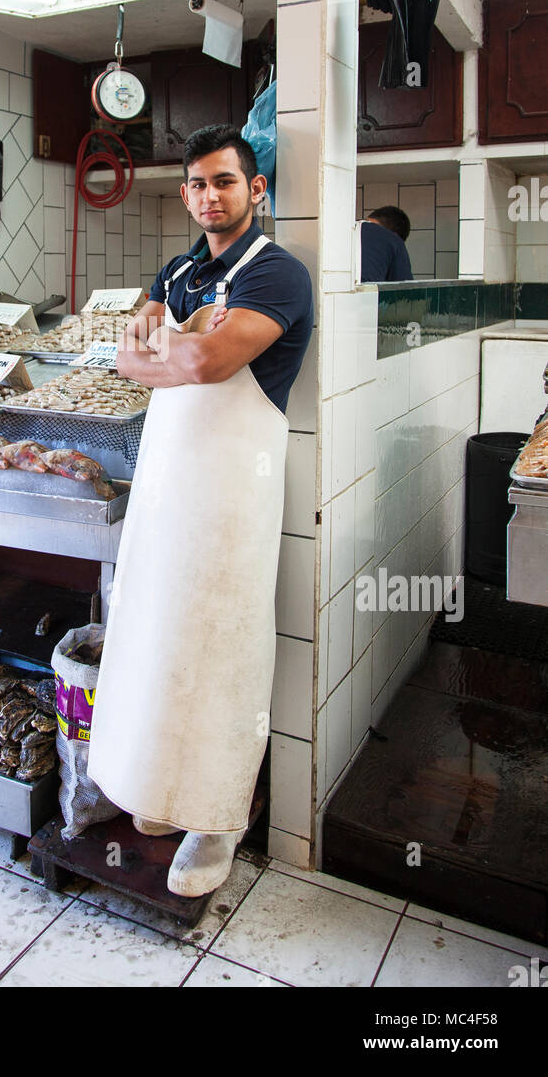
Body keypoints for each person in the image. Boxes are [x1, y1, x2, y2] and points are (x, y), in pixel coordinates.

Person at [87, 123, 313, 897]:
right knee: (156, 632)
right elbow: (126, 357)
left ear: (256, 189)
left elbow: (208, 359)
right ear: (185, 195)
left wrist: (171, 351)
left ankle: (217, 819)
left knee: (221, 644)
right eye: (196, 184)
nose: (209, 195)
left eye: (224, 181)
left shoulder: (277, 274)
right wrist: (165, 350)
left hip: (232, 494)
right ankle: (161, 792)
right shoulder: (181, 270)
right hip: (167, 490)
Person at [359, 205, 413, 282]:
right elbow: (405, 290)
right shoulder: (394, 240)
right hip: (362, 292)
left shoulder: (344, 227)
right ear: (396, 234)